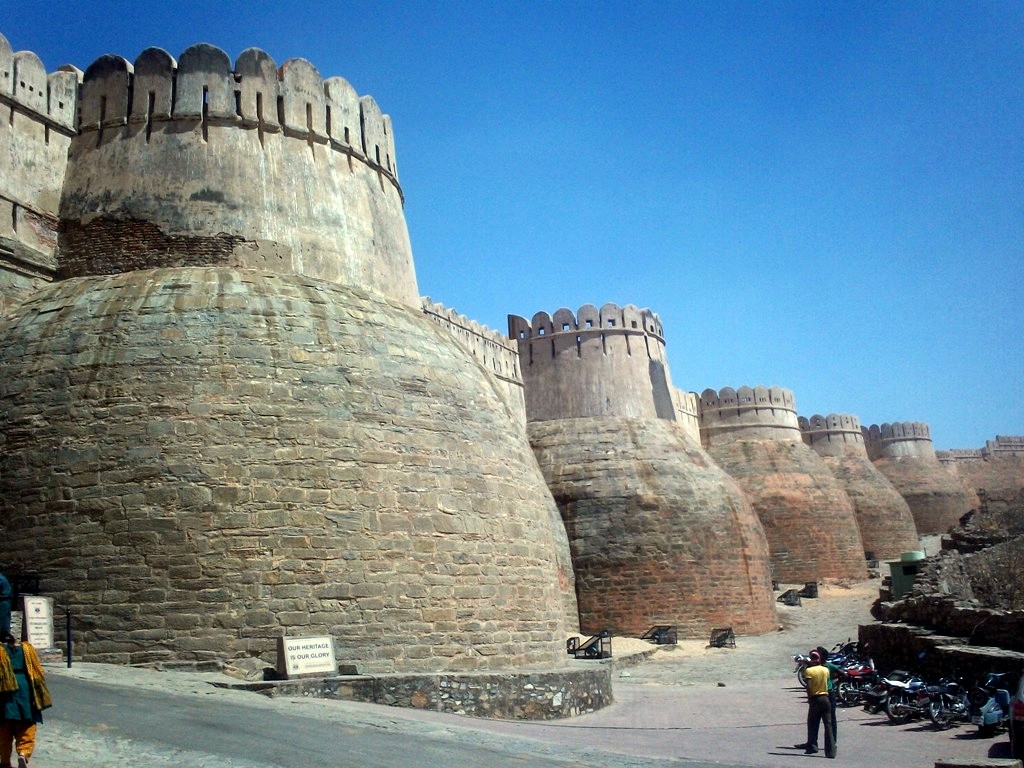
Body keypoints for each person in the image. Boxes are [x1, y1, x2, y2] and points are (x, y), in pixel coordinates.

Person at [0, 633, 51, 768]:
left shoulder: (1, 650)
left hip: (5, 690)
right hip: (25, 690)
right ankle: (23, 753)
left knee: (4, 727)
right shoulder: (27, 649)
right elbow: (36, 668)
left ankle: (5, 761)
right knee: (27, 725)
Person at [796, 650, 836, 758]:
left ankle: (813, 746)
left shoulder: (809, 671)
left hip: (815, 698)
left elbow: (808, 686)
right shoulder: (825, 670)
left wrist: (809, 698)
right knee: (828, 725)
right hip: (826, 698)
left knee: (812, 723)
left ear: (812, 660)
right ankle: (831, 751)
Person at [816, 645, 840, 746]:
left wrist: (834, 681)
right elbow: (843, 673)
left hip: (826, 694)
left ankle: (831, 741)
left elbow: (843, 673)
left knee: (829, 719)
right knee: (830, 719)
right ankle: (832, 742)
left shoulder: (825, 666)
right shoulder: (825, 666)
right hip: (826, 693)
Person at [0, 573, 11, 640]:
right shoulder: (3, 577)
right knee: (5, 619)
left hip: (2, 601)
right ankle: (5, 636)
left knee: (1, 619)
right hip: (7, 601)